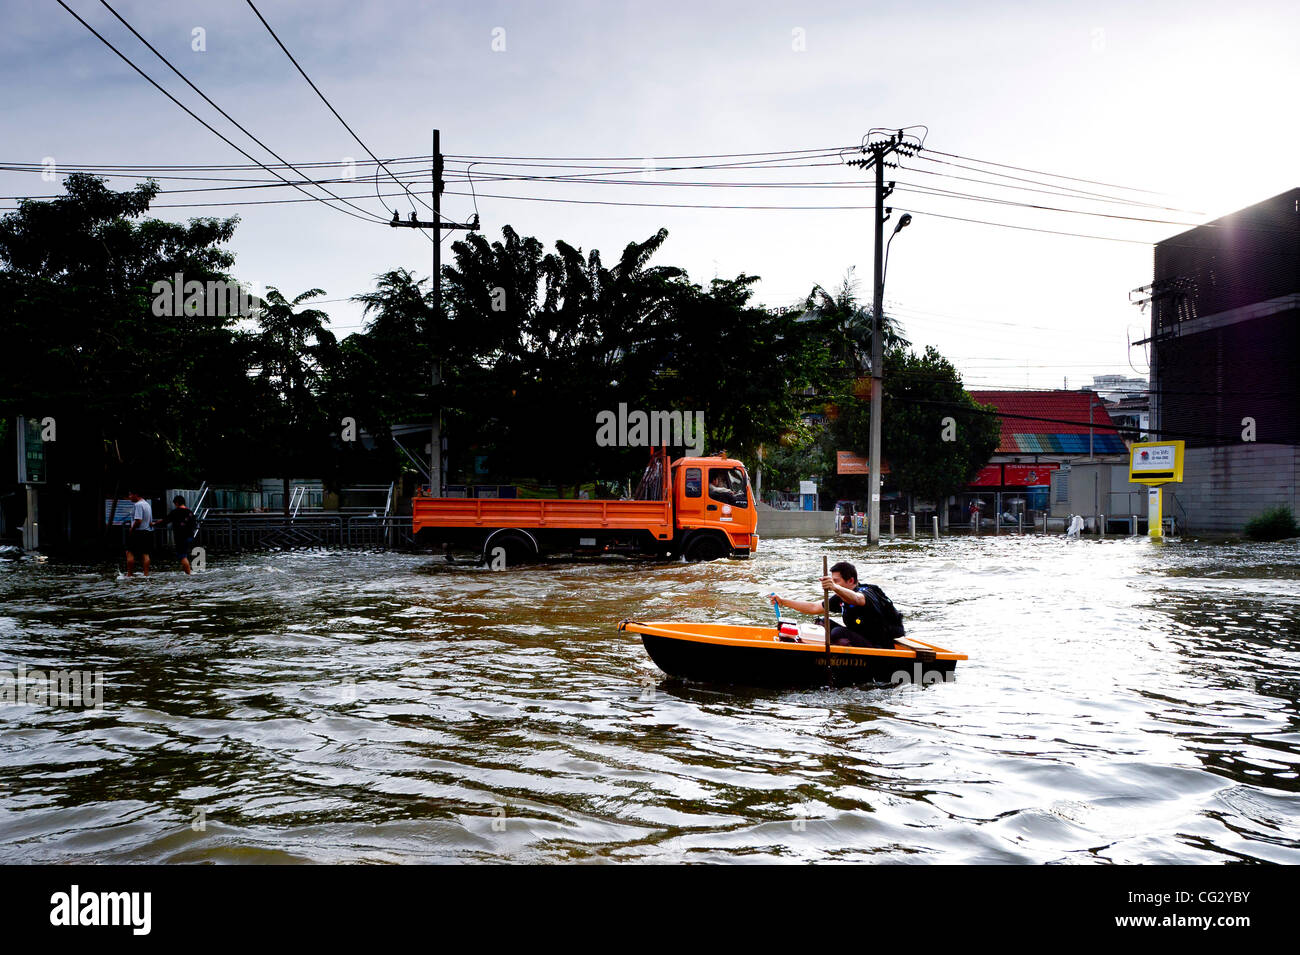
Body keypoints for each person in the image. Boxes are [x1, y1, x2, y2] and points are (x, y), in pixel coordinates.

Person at [769, 561, 904, 649]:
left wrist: (833, 587)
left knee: (837, 632)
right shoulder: (839, 597)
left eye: (836, 581)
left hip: (879, 645)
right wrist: (784, 601)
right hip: (861, 637)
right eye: (832, 581)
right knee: (822, 622)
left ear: (851, 580)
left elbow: (857, 599)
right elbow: (814, 607)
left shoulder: (867, 592)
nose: (832, 584)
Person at [154, 495, 198, 574]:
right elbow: (194, 524)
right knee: (185, 555)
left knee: (182, 556)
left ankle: (189, 574)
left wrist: (154, 523)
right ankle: (188, 572)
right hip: (190, 536)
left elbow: (165, 521)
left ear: (177, 503)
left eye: (175, 503)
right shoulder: (190, 512)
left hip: (180, 537)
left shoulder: (175, 512)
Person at [122, 490, 154, 577]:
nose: (129, 497)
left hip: (138, 532)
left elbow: (138, 520)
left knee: (129, 552)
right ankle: (146, 574)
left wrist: (132, 529)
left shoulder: (138, 505)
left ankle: (129, 575)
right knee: (145, 554)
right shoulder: (147, 504)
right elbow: (150, 521)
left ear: (136, 495)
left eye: (130, 495)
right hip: (147, 532)